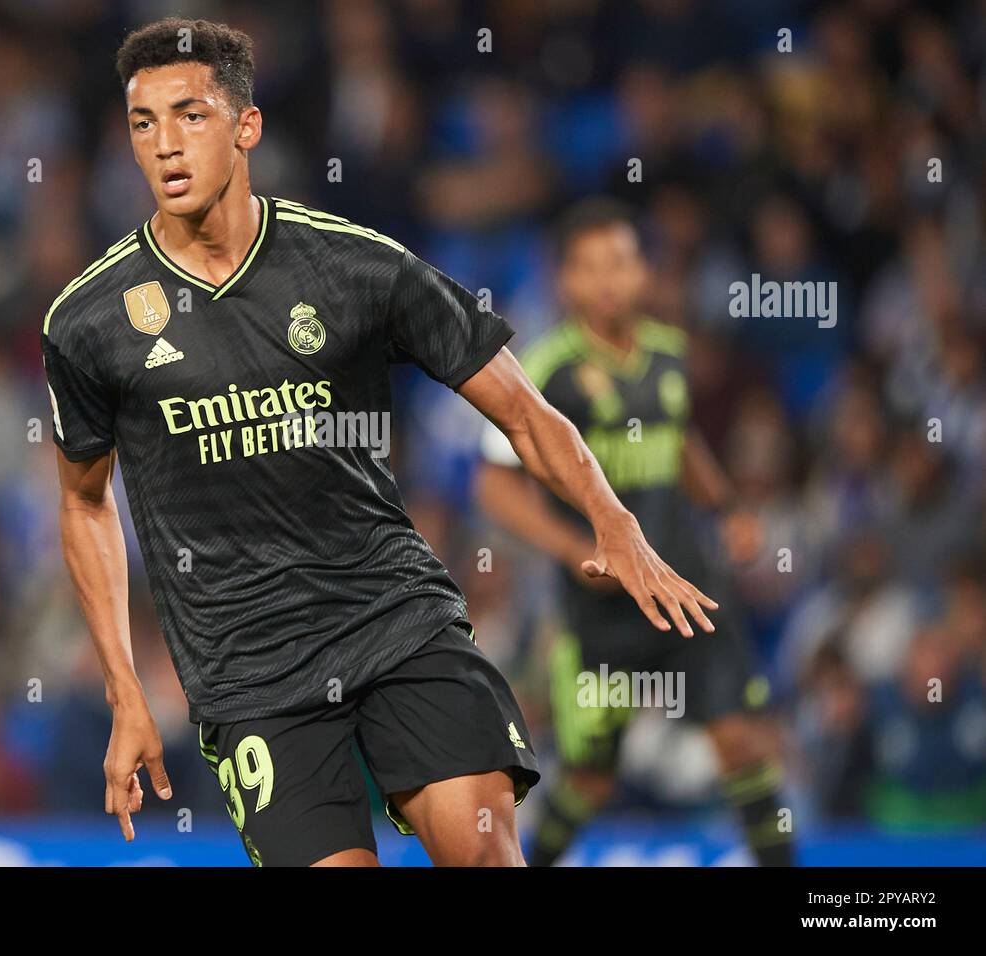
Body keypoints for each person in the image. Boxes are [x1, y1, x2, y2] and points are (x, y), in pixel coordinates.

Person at [42, 19, 715, 867]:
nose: (165, 146)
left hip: (395, 621)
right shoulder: (91, 319)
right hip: (249, 674)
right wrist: (124, 689)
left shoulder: (355, 266)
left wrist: (612, 519)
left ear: (247, 127)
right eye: (144, 123)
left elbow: (524, 410)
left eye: (192, 116)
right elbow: (83, 499)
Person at [477, 198, 793, 866]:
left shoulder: (670, 356)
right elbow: (494, 485)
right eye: (589, 267)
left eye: (621, 262)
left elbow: (680, 448)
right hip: (602, 608)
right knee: (592, 776)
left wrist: (729, 508)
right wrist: (568, 549)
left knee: (741, 740)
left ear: (644, 272)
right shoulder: (539, 372)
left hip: (685, 586)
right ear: (564, 281)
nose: (608, 280)